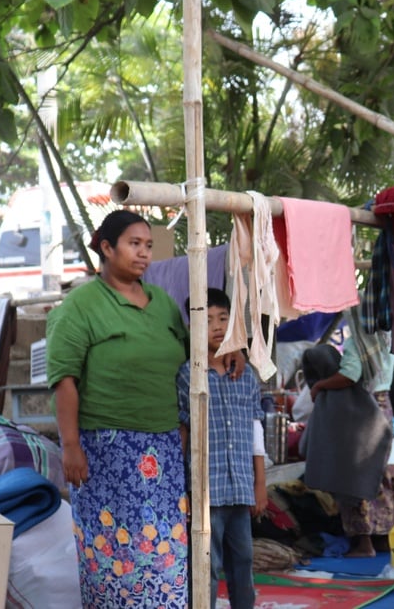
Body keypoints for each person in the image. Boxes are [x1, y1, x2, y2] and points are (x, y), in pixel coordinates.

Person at [47, 211, 243, 608]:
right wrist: (70, 445)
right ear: (107, 248)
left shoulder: (164, 305)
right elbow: (64, 379)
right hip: (106, 453)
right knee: (116, 556)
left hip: (165, 452)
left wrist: (231, 347)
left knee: (166, 553)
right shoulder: (81, 306)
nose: (143, 254)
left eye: (148, 245)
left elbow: (194, 354)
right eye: (134, 244)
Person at [177, 288, 266, 609]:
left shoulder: (246, 376)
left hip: (241, 488)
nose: (215, 325)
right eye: (207, 319)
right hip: (205, 491)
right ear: (192, 328)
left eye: (223, 318)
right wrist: (180, 485)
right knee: (206, 566)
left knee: (243, 561)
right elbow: (183, 430)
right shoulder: (188, 375)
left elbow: (256, 430)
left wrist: (260, 483)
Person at [302, 310, 394, 558]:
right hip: (385, 405)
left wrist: (321, 386)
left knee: (355, 477)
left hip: (363, 411)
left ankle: (364, 543)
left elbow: (349, 375)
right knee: (378, 473)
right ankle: (384, 538)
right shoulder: (388, 339)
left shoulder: (358, 342)